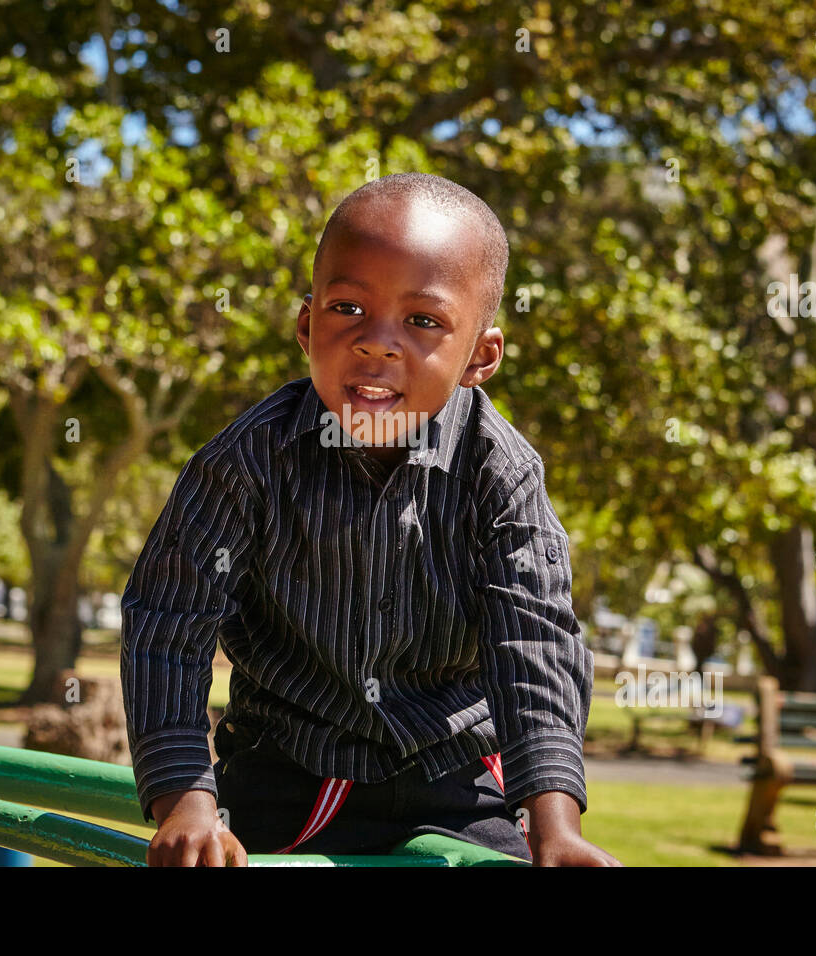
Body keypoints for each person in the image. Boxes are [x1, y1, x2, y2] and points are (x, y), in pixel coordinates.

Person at [121, 171, 622, 867]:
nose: (377, 342)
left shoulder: (502, 475)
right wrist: (187, 803)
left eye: (423, 320)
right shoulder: (247, 461)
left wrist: (554, 826)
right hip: (287, 766)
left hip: (455, 775)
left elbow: (533, 645)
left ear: (481, 355)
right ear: (306, 325)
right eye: (348, 308)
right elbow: (167, 625)